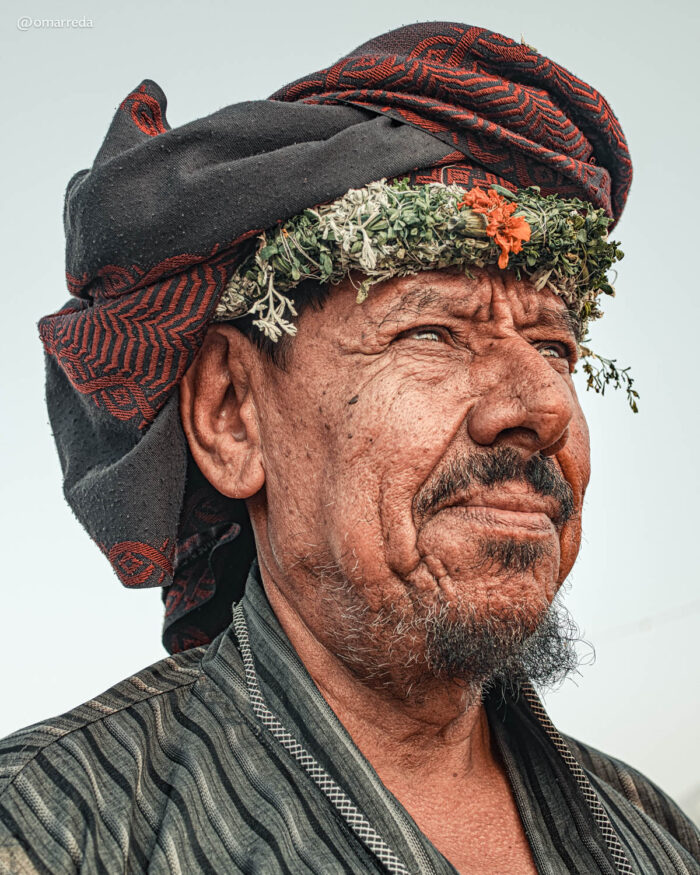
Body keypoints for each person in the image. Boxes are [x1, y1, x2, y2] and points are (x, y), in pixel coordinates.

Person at [0, 21, 697, 875]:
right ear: (231, 416)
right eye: (432, 332)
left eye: (555, 346)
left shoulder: (657, 837)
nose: (545, 406)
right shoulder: (58, 833)